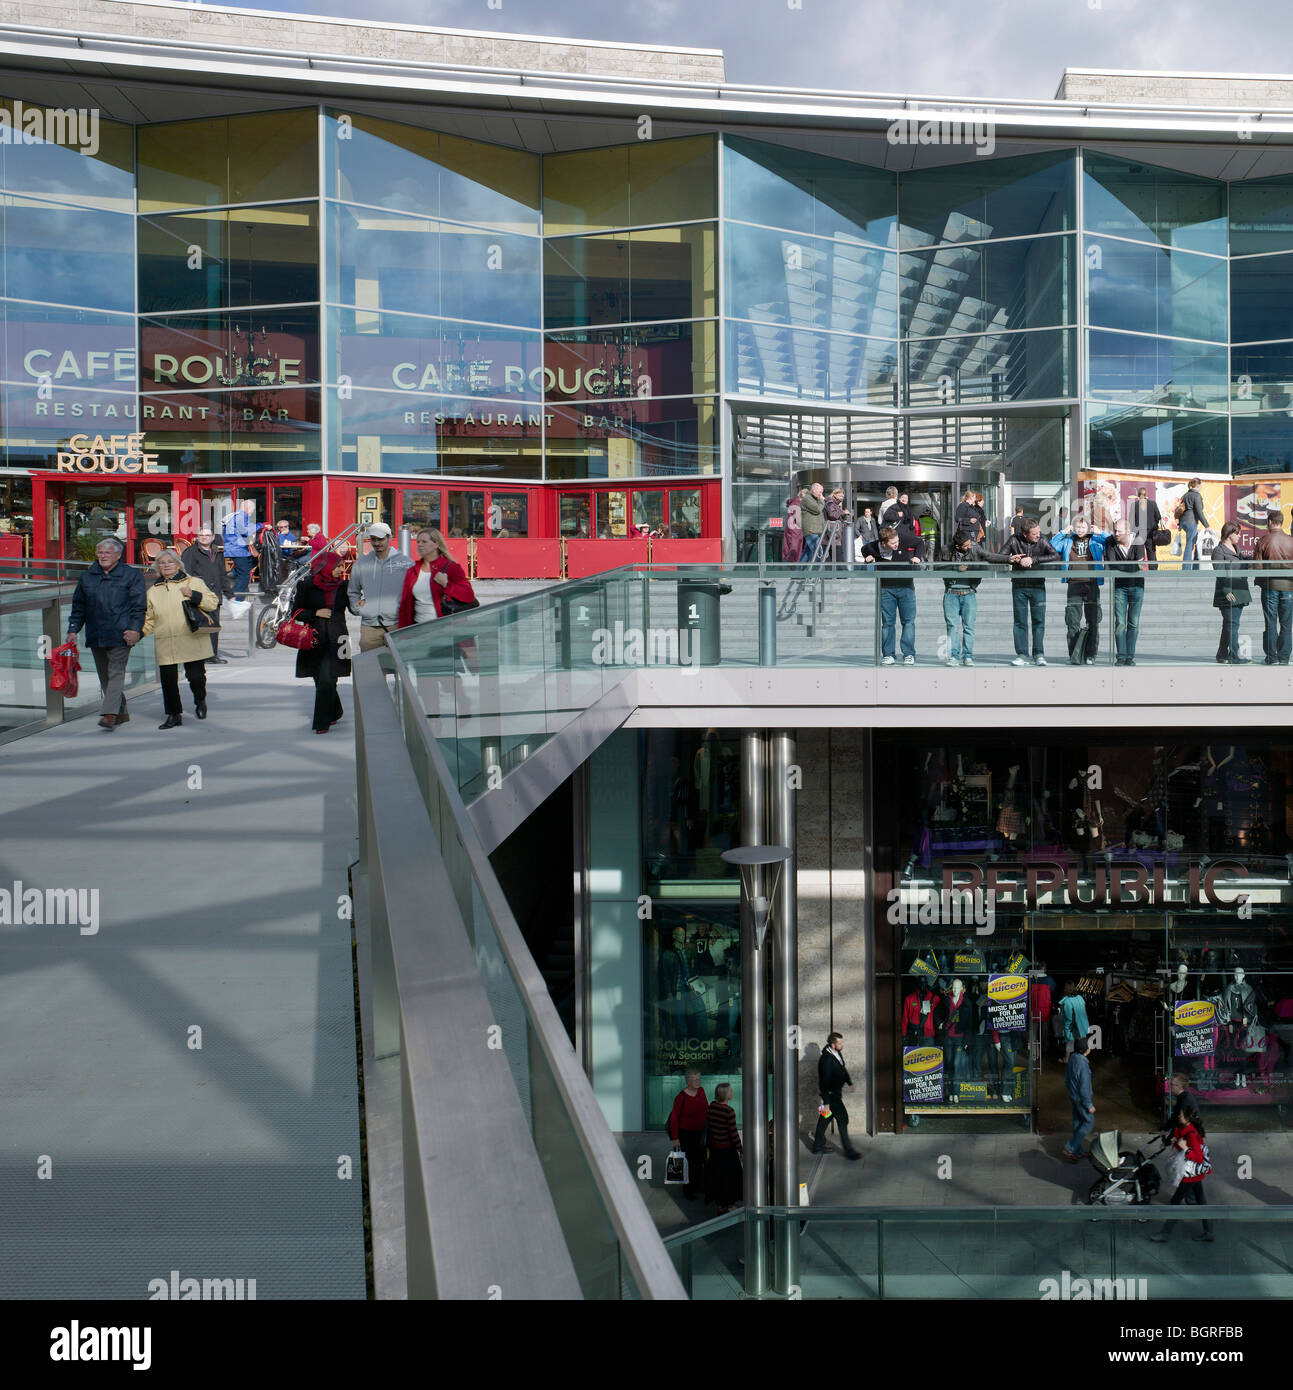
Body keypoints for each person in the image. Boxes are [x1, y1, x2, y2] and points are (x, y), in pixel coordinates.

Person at [66, 537, 148, 731]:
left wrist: (136, 630)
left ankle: (109, 714)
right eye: (100, 552)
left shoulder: (131, 575)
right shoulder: (87, 577)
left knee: (116, 673)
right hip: (96, 633)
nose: (103, 556)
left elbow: (139, 607)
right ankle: (122, 712)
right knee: (105, 677)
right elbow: (79, 606)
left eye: (108, 553)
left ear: (118, 555)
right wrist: (72, 629)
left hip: (122, 633)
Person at [141, 547, 218, 729]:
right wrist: (139, 633)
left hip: (191, 638)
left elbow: (212, 602)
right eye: (162, 563)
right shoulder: (153, 591)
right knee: (168, 681)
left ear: (178, 564)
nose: (166, 565)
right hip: (165, 641)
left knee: (196, 677)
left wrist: (194, 595)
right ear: (157, 567)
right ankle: (174, 715)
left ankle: (200, 700)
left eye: (170, 562)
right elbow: (150, 619)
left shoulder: (194, 582)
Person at [295, 536, 352, 734]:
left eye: (341, 566)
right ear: (326, 566)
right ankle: (335, 710)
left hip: (337, 637)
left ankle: (321, 723)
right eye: (337, 566)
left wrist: (361, 603)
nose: (340, 570)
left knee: (328, 679)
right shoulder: (307, 585)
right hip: (314, 637)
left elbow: (353, 609)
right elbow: (295, 612)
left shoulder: (344, 586)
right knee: (320, 679)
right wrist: (314, 613)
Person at [941, 527, 1011, 666]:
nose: (969, 547)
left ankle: (968, 656)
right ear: (957, 546)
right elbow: (937, 568)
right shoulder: (946, 549)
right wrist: (955, 567)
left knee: (969, 627)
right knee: (952, 627)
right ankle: (954, 656)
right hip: (951, 593)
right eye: (966, 545)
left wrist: (1009, 558)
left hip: (969, 593)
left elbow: (990, 556)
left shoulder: (974, 547)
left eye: (969, 543)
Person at [1150, 1101, 1212, 1242]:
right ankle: (1209, 1231)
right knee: (1201, 1201)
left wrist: (1184, 1148)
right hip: (1195, 1174)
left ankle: (1165, 1233)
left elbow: (1198, 1157)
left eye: (1181, 1115)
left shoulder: (1191, 1134)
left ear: (1187, 1118)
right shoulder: (1189, 1130)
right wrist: (1178, 1144)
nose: (1179, 1116)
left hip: (1189, 1175)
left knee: (1175, 1202)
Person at [1053, 514, 1109, 666]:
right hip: (1074, 584)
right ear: (1073, 527)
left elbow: (1111, 542)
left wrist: (1100, 532)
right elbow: (1053, 545)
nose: (1080, 530)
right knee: (1072, 622)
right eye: (1077, 526)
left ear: (1089, 527)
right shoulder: (1067, 540)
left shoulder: (1096, 540)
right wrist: (1062, 532)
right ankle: (1074, 654)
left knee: (1093, 622)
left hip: (1091, 584)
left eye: (1083, 527)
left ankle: (1090, 655)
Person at [349, 522, 412, 652]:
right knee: (372, 669)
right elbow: (353, 591)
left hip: (397, 624)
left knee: (400, 668)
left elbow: (414, 591)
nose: (377, 543)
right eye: (373, 539)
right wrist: (359, 609)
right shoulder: (361, 564)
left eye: (381, 539)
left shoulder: (405, 563)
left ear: (389, 537)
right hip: (369, 625)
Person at [862, 524, 921, 665]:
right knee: (888, 623)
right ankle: (888, 654)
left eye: (897, 541)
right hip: (886, 589)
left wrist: (918, 557)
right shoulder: (875, 546)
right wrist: (867, 558)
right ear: (883, 543)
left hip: (906, 587)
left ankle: (908, 654)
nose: (897, 544)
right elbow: (864, 549)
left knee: (908, 622)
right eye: (893, 543)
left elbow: (919, 542)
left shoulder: (902, 539)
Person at [1005, 518, 1060, 666]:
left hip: (1038, 586)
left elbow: (1055, 555)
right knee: (1020, 622)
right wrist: (1013, 559)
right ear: (1025, 534)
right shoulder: (1014, 540)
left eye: (1038, 532)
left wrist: (1033, 559)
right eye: (1034, 533)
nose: (1038, 535)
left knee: (1039, 621)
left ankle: (1038, 654)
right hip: (1019, 587)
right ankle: (1022, 654)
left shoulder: (1042, 540)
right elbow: (1000, 555)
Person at [397, 528, 477, 627]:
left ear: (436, 544)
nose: (420, 545)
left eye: (424, 541)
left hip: (446, 628)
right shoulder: (412, 571)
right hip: (418, 628)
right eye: (418, 542)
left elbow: (469, 596)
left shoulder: (452, 567)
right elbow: (405, 607)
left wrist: (446, 584)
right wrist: (402, 633)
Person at [181, 527, 234, 663]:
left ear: (212, 537)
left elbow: (222, 574)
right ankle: (198, 656)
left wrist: (229, 593)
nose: (204, 537)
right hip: (198, 595)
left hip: (214, 595)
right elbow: (186, 573)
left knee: (213, 625)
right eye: (201, 535)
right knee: (199, 626)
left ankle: (212, 655)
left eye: (207, 535)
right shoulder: (190, 552)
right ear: (197, 537)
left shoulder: (217, 552)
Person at [811, 1031, 861, 1159]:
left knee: (825, 1118)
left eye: (842, 1042)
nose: (842, 1044)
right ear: (833, 1044)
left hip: (835, 1094)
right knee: (843, 1119)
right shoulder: (826, 1060)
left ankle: (817, 1146)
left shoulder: (836, 1054)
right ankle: (849, 1151)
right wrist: (826, 1101)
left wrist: (849, 1082)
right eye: (840, 1042)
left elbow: (843, 1069)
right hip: (831, 1095)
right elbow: (824, 1082)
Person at [1253, 509, 1293, 665]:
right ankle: (1284, 658)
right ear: (1281, 522)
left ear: (1269, 522)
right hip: (1289, 587)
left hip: (1270, 587)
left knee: (1270, 622)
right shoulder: (1291, 540)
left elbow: (1258, 567)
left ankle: (1271, 657)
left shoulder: (1263, 541)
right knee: (1286, 623)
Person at [1104, 519, 1146, 666]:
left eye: (1119, 531)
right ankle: (1121, 656)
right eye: (1114, 530)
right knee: (1120, 623)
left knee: (1133, 623)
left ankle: (1130, 657)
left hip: (1137, 586)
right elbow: (1111, 564)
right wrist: (1133, 565)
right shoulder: (1110, 541)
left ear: (1128, 531)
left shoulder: (1138, 541)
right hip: (1119, 587)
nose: (1116, 534)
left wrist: (1121, 566)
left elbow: (1140, 565)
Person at [1212, 521, 1252, 665]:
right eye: (1237, 533)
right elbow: (1219, 571)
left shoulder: (1236, 548)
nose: (1240, 536)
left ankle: (1222, 654)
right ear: (1229, 534)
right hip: (1229, 593)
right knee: (1232, 624)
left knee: (1229, 624)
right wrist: (1226, 591)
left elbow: (1240, 563)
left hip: (1239, 590)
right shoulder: (1219, 550)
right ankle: (1235, 655)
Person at [667, 1070, 708, 1201]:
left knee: (700, 1160)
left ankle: (698, 1185)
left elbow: (706, 1108)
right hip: (686, 1134)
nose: (698, 1082)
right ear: (688, 1081)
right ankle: (688, 1189)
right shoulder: (681, 1097)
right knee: (689, 1162)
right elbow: (674, 1118)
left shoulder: (701, 1091)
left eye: (699, 1079)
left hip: (700, 1132)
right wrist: (674, 1138)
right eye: (695, 1080)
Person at [705, 1082, 744, 1213]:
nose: (732, 1092)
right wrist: (740, 1148)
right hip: (727, 1150)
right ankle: (730, 1204)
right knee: (731, 1177)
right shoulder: (729, 1112)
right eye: (730, 1091)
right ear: (726, 1095)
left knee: (719, 1176)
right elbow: (733, 1133)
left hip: (715, 1149)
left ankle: (720, 1204)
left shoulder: (712, 1107)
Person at [1061, 1035, 1095, 1162]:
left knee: (1078, 1122)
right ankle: (1070, 1148)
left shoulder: (1072, 1059)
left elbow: (1067, 1079)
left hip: (1073, 1096)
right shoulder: (1084, 1066)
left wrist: (1071, 1090)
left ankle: (1078, 1151)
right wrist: (1089, 1105)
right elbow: (1084, 1088)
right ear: (1086, 1050)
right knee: (1089, 1122)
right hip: (1081, 1099)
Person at [221, 499, 257, 599]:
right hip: (238, 550)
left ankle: (234, 572)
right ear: (247, 508)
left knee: (254, 559)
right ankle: (236, 598)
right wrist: (260, 525)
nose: (251, 513)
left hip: (235, 548)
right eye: (252, 510)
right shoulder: (241, 516)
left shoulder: (234, 516)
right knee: (244, 576)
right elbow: (245, 532)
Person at [1128, 486, 1163, 572]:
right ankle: (1153, 571)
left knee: (1140, 553)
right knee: (1151, 552)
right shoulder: (1153, 504)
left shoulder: (1134, 505)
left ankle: (1140, 571)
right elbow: (1158, 517)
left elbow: (1131, 520)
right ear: (1146, 494)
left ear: (1138, 495)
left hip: (1139, 533)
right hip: (1150, 532)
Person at [1178, 478, 1207, 572]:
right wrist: (1207, 525)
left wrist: (1179, 523)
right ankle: (1186, 569)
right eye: (1201, 485)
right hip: (1191, 522)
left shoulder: (1185, 495)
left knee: (1196, 542)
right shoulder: (1196, 496)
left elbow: (1180, 509)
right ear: (1198, 486)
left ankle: (1195, 567)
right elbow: (1199, 512)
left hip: (1184, 521)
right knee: (1190, 544)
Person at [1059, 979, 1091, 1061]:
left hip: (1074, 1025)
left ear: (1065, 989)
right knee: (1082, 1041)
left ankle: (1067, 1059)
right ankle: (1083, 1056)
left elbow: (1068, 1017)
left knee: (1070, 1040)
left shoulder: (1067, 1001)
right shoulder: (1080, 997)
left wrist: (1066, 1027)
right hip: (1083, 1023)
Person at [798, 482, 826, 566]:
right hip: (811, 530)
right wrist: (821, 500)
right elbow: (817, 509)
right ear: (814, 490)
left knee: (807, 554)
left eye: (822, 492)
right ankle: (818, 575)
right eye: (820, 492)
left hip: (815, 530)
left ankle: (797, 575)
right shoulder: (807, 499)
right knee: (818, 552)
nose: (821, 494)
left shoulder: (815, 499)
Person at [782, 494, 804, 564]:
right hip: (795, 532)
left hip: (793, 531)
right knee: (794, 553)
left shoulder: (794, 504)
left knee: (792, 552)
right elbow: (799, 521)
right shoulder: (796, 505)